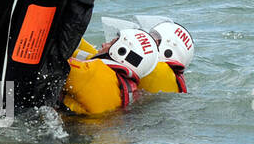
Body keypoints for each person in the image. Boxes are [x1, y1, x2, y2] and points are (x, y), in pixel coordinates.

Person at [61, 19, 194, 116]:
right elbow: (94, 57)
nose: (104, 43)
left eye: (154, 40)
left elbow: (59, 63)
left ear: (167, 51)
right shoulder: (116, 79)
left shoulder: (159, 72)